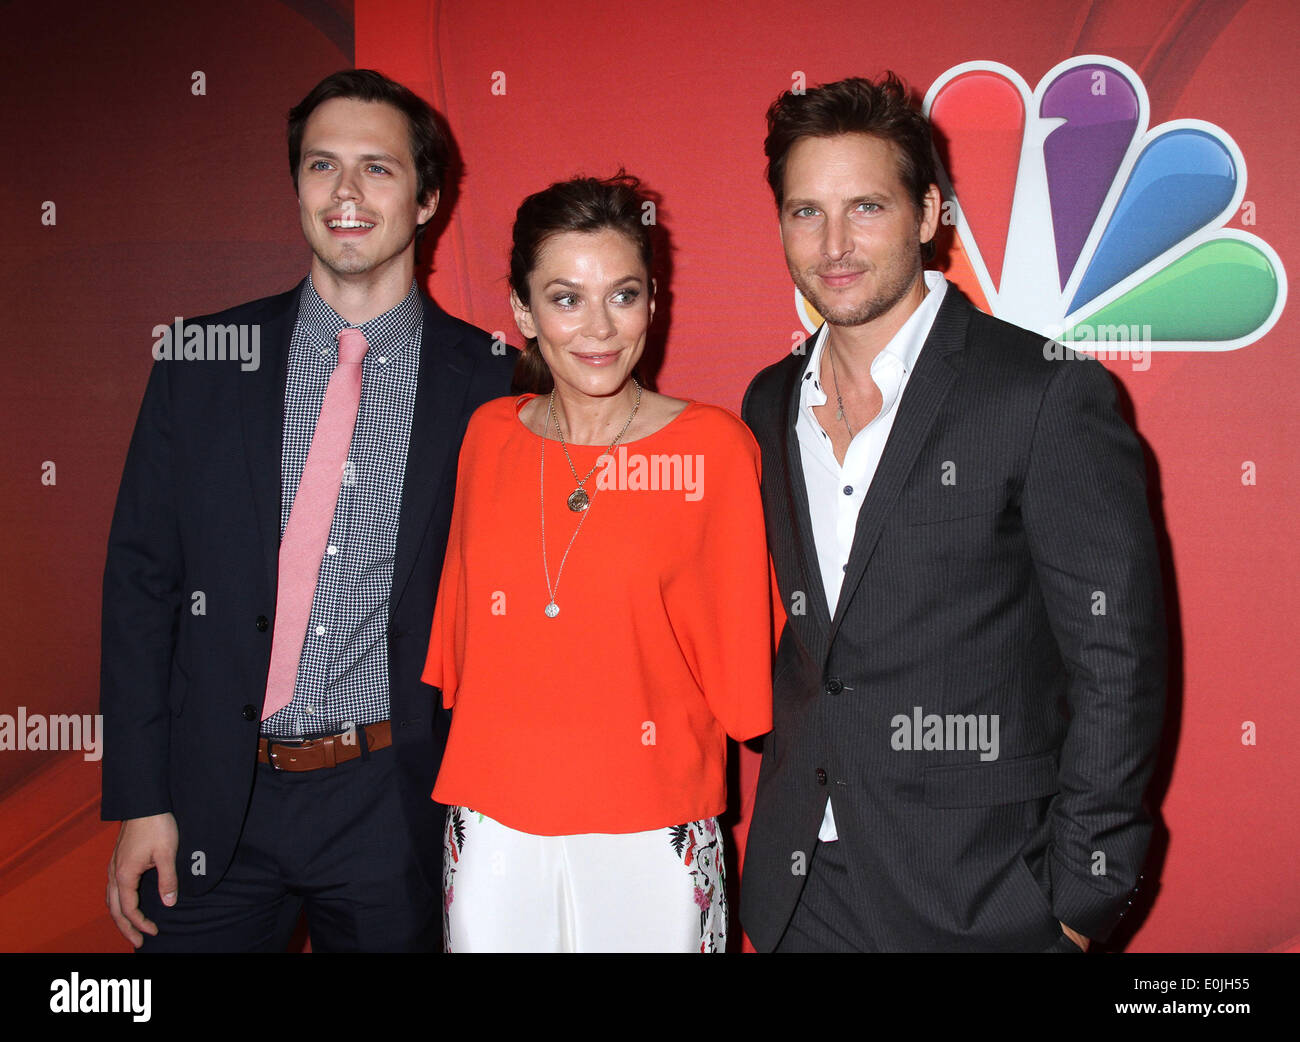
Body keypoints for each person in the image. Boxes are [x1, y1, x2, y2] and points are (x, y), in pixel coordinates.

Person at [738, 74, 1166, 952]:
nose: (833, 244)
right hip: (802, 893)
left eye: (866, 207)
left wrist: (1079, 902)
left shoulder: (1041, 393)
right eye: (806, 212)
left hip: (980, 895)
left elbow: (1117, 658)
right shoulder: (768, 400)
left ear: (930, 212)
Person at [100, 68, 514, 951]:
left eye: (378, 168)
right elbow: (140, 586)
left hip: (392, 808)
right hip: (210, 801)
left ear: (428, 199)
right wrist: (141, 797)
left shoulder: (494, 382)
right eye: (323, 165)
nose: (346, 193)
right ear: (297, 187)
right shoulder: (201, 360)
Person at [421, 174, 774, 952]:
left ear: (654, 301)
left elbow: (745, 681)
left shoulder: (713, 449)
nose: (600, 328)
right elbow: (465, 653)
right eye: (566, 298)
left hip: (653, 827)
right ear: (523, 312)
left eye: (623, 295)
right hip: (494, 826)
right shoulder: (488, 436)